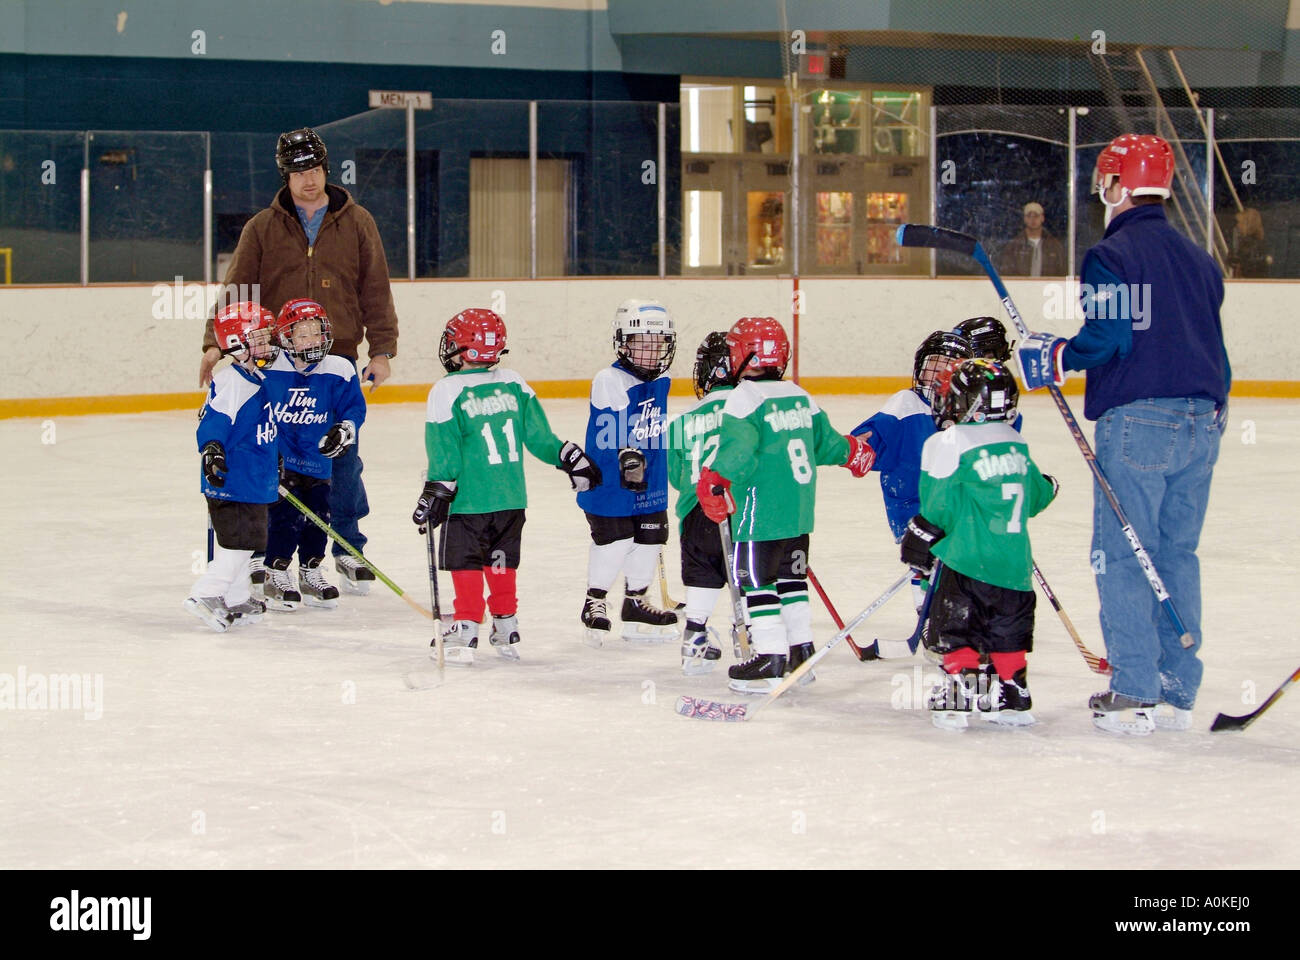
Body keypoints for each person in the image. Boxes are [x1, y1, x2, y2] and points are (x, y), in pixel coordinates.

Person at [1018, 133, 1230, 736]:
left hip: (1139, 423)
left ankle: (1135, 688)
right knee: (1174, 553)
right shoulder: (1199, 257)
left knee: (1124, 553)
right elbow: (1217, 350)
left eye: (1104, 179)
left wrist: (1058, 356)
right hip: (1202, 422)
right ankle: (1176, 686)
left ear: (1116, 184)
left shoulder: (1113, 254)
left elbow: (1110, 335)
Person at [200, 127, 398, 595]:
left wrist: (382, 350)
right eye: (297, 172)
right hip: (276, 359)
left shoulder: (357, 222)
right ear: (285, 176)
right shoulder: (263, 227)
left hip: (338, 354)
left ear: (326, 169)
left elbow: (375, 288)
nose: (308, 180)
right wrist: (214, 341)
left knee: (340, 458)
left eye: (314, 169)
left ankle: (347, 546)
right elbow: (238, 289)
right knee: (271, 454)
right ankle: (266, 552)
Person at [696, 317, 875, 693]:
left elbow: (739, 452)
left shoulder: (744, 397)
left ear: (746, 355)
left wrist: (715, 477)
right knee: (792, 581)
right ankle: (801, 653)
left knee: (757, 582)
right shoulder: (799, 394)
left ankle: (770, 657)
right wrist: (854, 451)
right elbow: (826, 444)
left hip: (760, 513)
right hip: (798, 513)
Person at [411, 309, 600, 663]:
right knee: (500, 560)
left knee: (465, 559)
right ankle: (505, 623)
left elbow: (445, 451)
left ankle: (466, 626)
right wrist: (569, 457)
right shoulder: (514, 382)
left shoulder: (446, 390)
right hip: (512, 498)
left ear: (463, 348)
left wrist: (436, 491)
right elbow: (540, 438)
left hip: (468, 500)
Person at [902, 359, 1057, 730]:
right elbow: (1035, 497)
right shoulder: (1016, 441)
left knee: (958, 625)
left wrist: (924, 534)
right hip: (1014, 564)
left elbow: (938, 505)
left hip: (965, 559)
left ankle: (959, 691)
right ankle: (1012, 693)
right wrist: (1050, 485)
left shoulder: (949, 440)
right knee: (1008, 628)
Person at [850, 330, 972, 642]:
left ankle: (955, 621)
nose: (941, 373)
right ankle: (930, 619)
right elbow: (869, 437)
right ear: (919, 369)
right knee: (927, 564)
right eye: (935, 364)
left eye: (951, 366)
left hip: (957, 507)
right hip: (912, 509)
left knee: (959, 570)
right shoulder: (906, 404)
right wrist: (854, 448)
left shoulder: (968, 409)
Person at [577, 300, 681, 646]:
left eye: (658, 343)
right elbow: (617, 432)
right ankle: (595, 601)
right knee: (616, 540)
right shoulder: (609, 378)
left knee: (653, 536)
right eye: (642, 342)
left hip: (651, 477)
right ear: (623, 342)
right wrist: (630, 461)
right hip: (610, 481)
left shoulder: (662, 378)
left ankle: (636, 602)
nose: (652, 351)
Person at [260, 298, 367, 611]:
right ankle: (275, 572)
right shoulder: (270, 368)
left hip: (319, 463)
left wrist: (345, 428)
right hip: (281, 463)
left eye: (316, 332)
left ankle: (310, 571)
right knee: (284, 520)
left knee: (319, 519)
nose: (311, 340)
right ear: (286, 337)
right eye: (302, 333)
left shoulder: (339, 368)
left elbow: (353, 408)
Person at [186, 302, 281, 632]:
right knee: (240, 543)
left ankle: (238, 597)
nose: (270, 342)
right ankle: (206, 594)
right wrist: (212, 450)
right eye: (261, 336)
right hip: (232, 479)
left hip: (253, 478)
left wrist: (274, 457)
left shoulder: (255, 376)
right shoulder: (232, 381)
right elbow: (214, 420)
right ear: (238, 343)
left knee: (248, 540)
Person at [665, 332, 736, 675]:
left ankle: (694, 636)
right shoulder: (750, 411)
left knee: (703, 575)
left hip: (695, 513)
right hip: (741, 508)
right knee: (751, 578)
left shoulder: (680, 422)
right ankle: (757, 638)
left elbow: (679, 479)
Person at [996, 201, 1067, 277]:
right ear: (1024, 219)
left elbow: (1062, 272)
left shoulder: (1054, 246)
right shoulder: (1014, 246)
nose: (1032, 219)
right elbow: (1006, 274)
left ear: (1042, 218)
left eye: (1036, 216)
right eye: (1029, 216)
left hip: (1047, 288)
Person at [1228, 206, 1270, 278]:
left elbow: (1248, 264)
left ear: (1247, 224)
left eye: (1239, 222)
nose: (1237, 225)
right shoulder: (1243, 242)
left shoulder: (1251, 245)